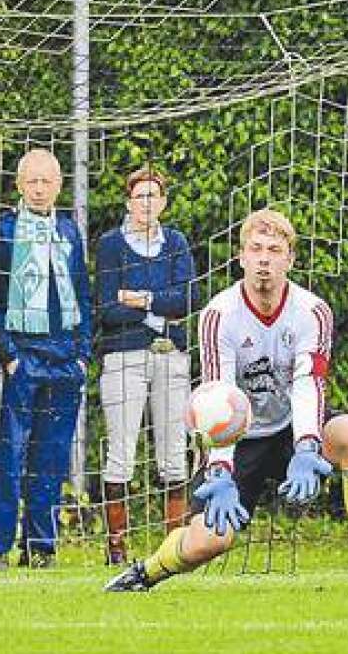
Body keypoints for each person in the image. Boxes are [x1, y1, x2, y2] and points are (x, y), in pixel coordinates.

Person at [105, 209, 348, 593]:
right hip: (239, 437)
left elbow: (310, 383)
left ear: (289, 259)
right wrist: (220, 471)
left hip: (293, 426)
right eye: (255, 248)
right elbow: (216, 399)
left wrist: (307, 447)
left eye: (274, 250)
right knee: (210, 541)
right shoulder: (219, 315)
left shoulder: (312, 311)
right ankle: (145, 573)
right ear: (241, 257)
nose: (264, 258)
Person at [0, 149, 91, 569]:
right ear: (19, 185)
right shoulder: (1, 231)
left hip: (65, 360)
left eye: (48, 182)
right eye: (32, 182)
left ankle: (40, 546)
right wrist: (6, 353)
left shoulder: (69, 232)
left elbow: (82, 291)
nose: (40, 189)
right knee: (8, 454)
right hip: (20, 359)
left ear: (59, 186)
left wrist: (82, 353)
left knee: (52, 457)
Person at [96, 167, 198, 565]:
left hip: (171, 357)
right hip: (124, 357)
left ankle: (175, 549)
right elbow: (107, 308)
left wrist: (141, 301)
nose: (147, 203)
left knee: (174, 453)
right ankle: (117, 548)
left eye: (154, 195)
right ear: (128, 202)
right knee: (121, 452)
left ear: (164, 202)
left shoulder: (176, 242)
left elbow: (188, 299)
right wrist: (160, 304)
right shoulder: (110, 245)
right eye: (140, 196)